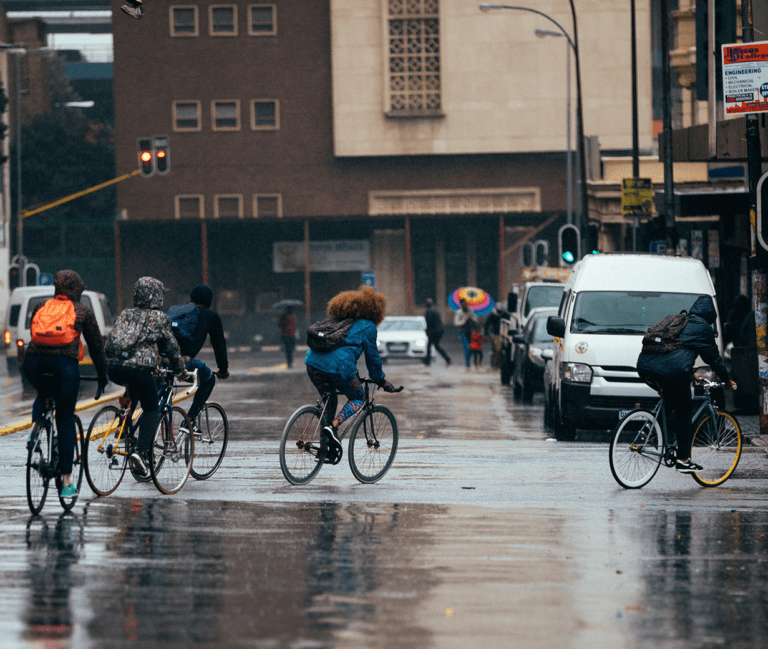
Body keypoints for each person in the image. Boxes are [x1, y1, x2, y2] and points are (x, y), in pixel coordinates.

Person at [23, 270, 109, 499]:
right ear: (77, 289)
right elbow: (96, 347)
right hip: (64, 366)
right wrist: (103, 375)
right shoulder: (82, 311)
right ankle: (66, 483)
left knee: (43, 391)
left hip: (33, 362)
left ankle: (34, 433)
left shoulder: (41, 306)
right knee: (65, 420)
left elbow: (35, 332)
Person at [636, 295, 737, 473]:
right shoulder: (702, 328)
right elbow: (714, 359)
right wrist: (726, 380)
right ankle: (683, 459)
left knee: (671, 397)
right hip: (669, 372)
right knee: (684, 411)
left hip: (645, 366)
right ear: (710, 315)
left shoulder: (680, 321)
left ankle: (650, 429)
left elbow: (673, 352)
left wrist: (691, 373)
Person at [106, 277, 189, 476]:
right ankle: (140, 453)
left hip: (113, 367)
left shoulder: (125, 313)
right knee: (152, 409)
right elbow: (171, 347)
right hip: (139, 368)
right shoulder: (159, 317)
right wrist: (180, 370)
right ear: (156, 297)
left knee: (132, 390)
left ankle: (123, 428)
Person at [305, 286, 397, 460]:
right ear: (374, 310)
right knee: (358, 398)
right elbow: (373, 359)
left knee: (329, 399)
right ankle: (333, 426)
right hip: (340, 368)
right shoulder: (368, 326)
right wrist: (381, 381)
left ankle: (325, 450)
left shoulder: (334, 321)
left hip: (312, 364)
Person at [171, 285, 230, 426]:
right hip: (183, 361)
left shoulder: (178, 311)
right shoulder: (210, 316)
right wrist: (223, 369)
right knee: (208, 379)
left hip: (162, 359)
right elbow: (218, 344)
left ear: (191, 298)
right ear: (209, 302)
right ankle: (189, 420)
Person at [424, 298, 451, 366]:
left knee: (431, 346)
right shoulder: (435, 310)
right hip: (439, 330)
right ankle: (447, 359)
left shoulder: (429, 311)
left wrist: (428, 331)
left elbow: (429, 322)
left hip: (434, 331)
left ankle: (427, 361)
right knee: (436, 346)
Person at [453, 298, 478, 370]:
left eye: (465, 304)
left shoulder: (470, 311)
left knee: (472, 347)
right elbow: (456, 323)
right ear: (461, 305)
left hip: (471, 331)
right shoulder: (459, 312)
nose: (465, 306)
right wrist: (464, 320)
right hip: (463, 331)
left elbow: (476, 319)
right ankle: (468, 364)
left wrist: (471, 318)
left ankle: (472, 362)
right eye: (463, 305)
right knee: (466, 347)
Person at [484, 304, 504, 368]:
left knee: (499, 349)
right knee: (497, 349)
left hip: (501, 334)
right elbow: (487, 324)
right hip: (495, 334)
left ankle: (497, 363)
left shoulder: (502, 315)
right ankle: (495, 363)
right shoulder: (493, 315)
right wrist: (486, 334)